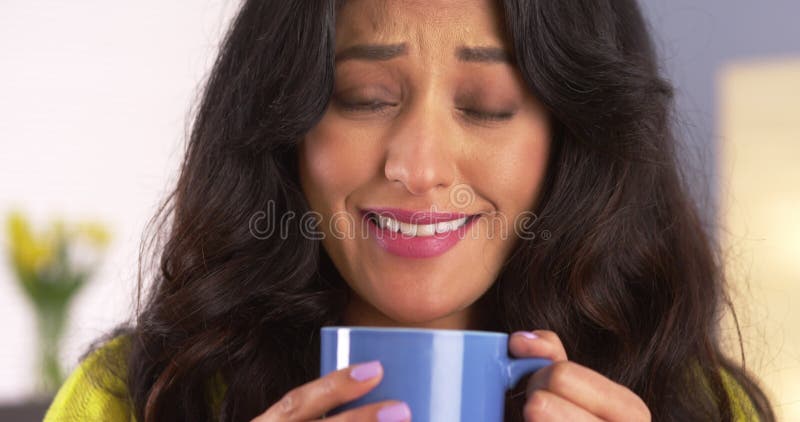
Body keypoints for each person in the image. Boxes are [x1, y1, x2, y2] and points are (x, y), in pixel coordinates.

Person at [44, 0, 775, 421]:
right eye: (364, 99)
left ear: (573, 142)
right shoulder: (127, 400)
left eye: (487, 108)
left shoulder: (704, 408)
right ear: (284, 126)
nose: (418, 169)